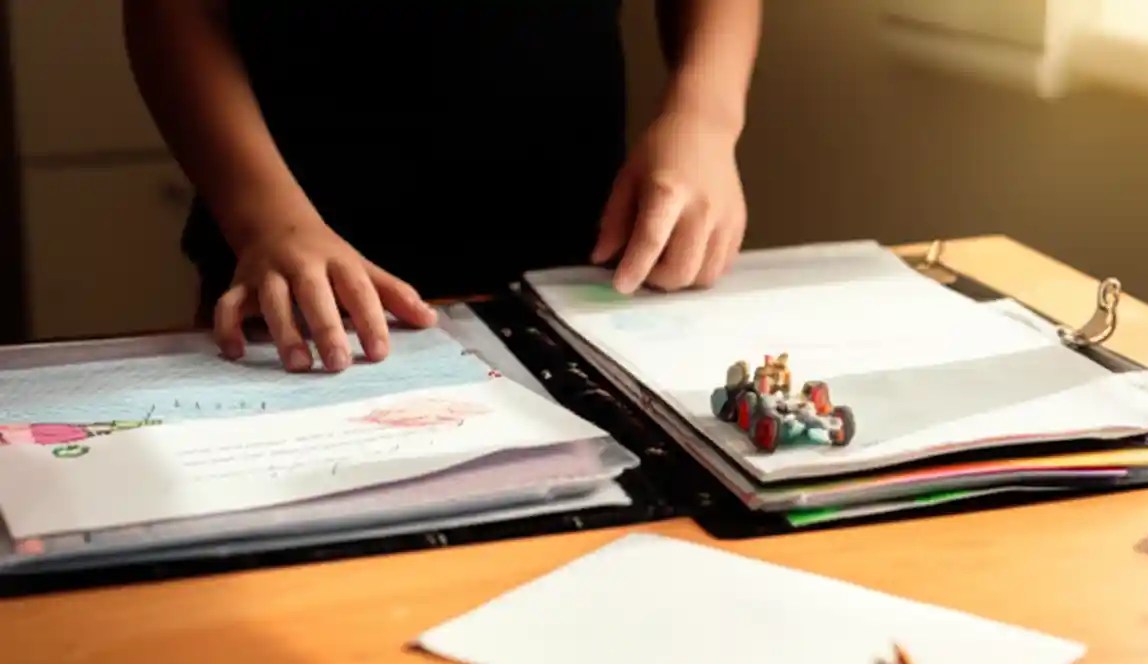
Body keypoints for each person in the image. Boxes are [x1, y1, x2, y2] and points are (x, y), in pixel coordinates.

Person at [123, 1, 761, 373]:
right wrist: (265, 220)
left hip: (583, 257)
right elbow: (173, 12)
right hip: (295, 263)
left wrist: (705, 116)